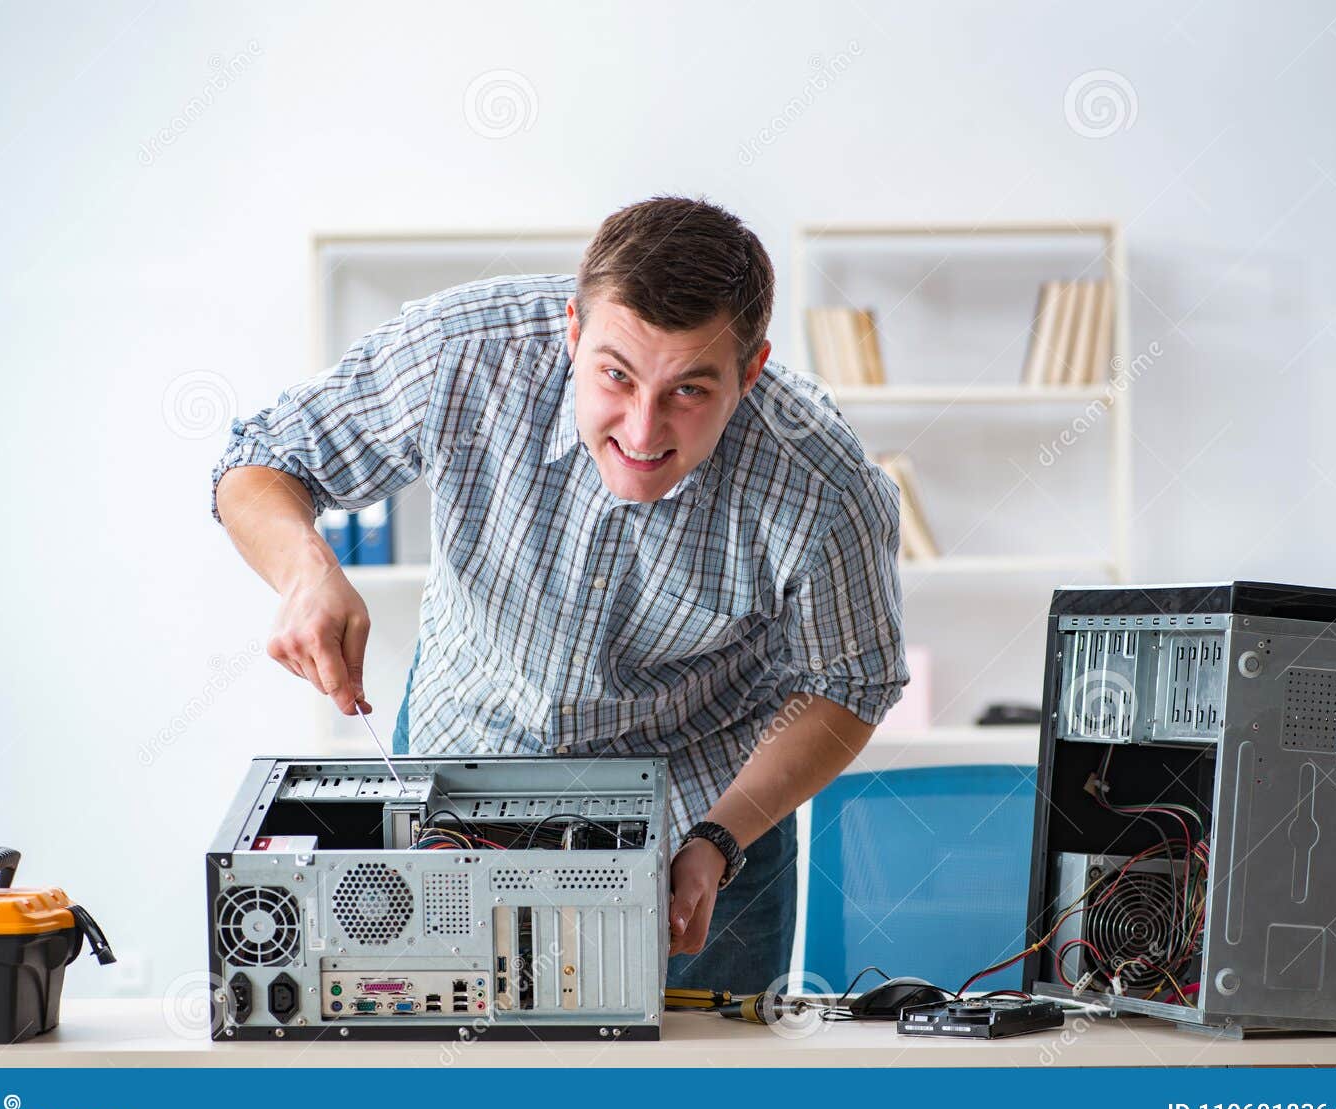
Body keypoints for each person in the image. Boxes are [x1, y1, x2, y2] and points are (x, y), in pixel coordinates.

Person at [211, 195, 907, 995]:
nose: (642, 433)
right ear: (573, 333)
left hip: (701, 833)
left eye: (690, 390)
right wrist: (307, 570)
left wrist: (719, 836)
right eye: (616, 374)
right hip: (456, 793)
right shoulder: (462, 354)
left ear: (750, 371)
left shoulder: (824, 482)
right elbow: (260, 458)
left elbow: (851, 683)